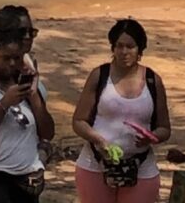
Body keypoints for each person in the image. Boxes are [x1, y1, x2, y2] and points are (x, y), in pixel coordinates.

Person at [0, 3, 56, 203]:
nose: (12, 64)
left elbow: (47, 133)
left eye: (16, 58)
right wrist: (5, 103)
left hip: (26, 180)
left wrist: (33, 96)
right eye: (6, 58)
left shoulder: (28, 82)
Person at [71, 19, 171, 203]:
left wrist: (152, 137)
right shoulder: (99, 76)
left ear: (140, 50)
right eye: (119, 46)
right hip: (95, 164)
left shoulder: (152, 80)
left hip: (141, 167)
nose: (124, 52)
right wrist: (98, 140)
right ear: (113, 47)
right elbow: (78, 121)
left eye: (130, 47)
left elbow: (165, 128)